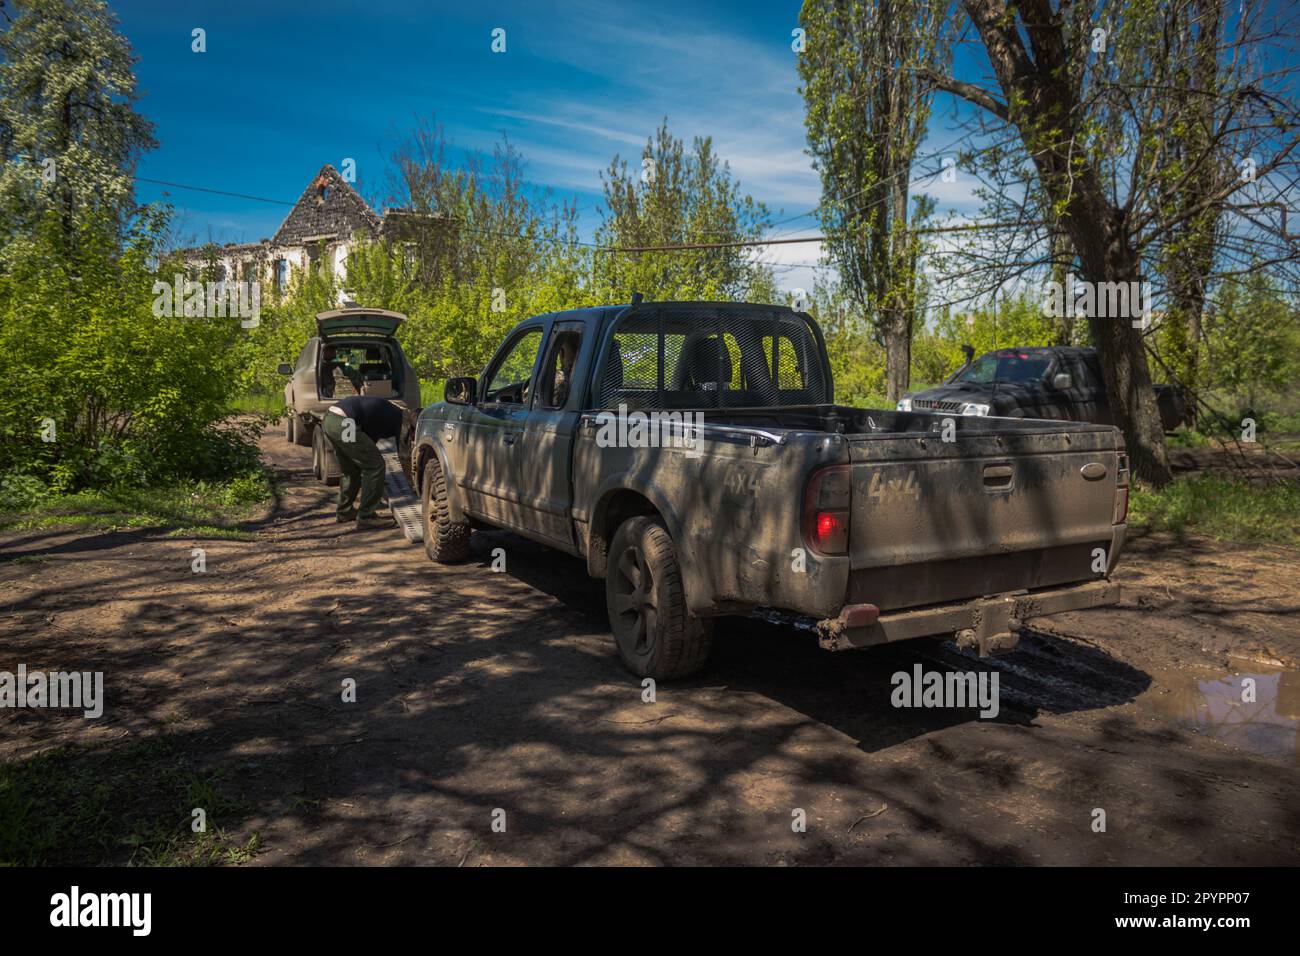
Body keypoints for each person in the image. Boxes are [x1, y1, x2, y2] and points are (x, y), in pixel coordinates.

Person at [321, 394, 403, 530]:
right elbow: (403, 453)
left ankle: (344, 511)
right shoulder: (398, 419)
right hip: (344, 422)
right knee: (375, 466)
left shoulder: (388, 412)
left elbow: (368, 440)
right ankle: (367, 517)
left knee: (351, 470)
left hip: (330, 419)